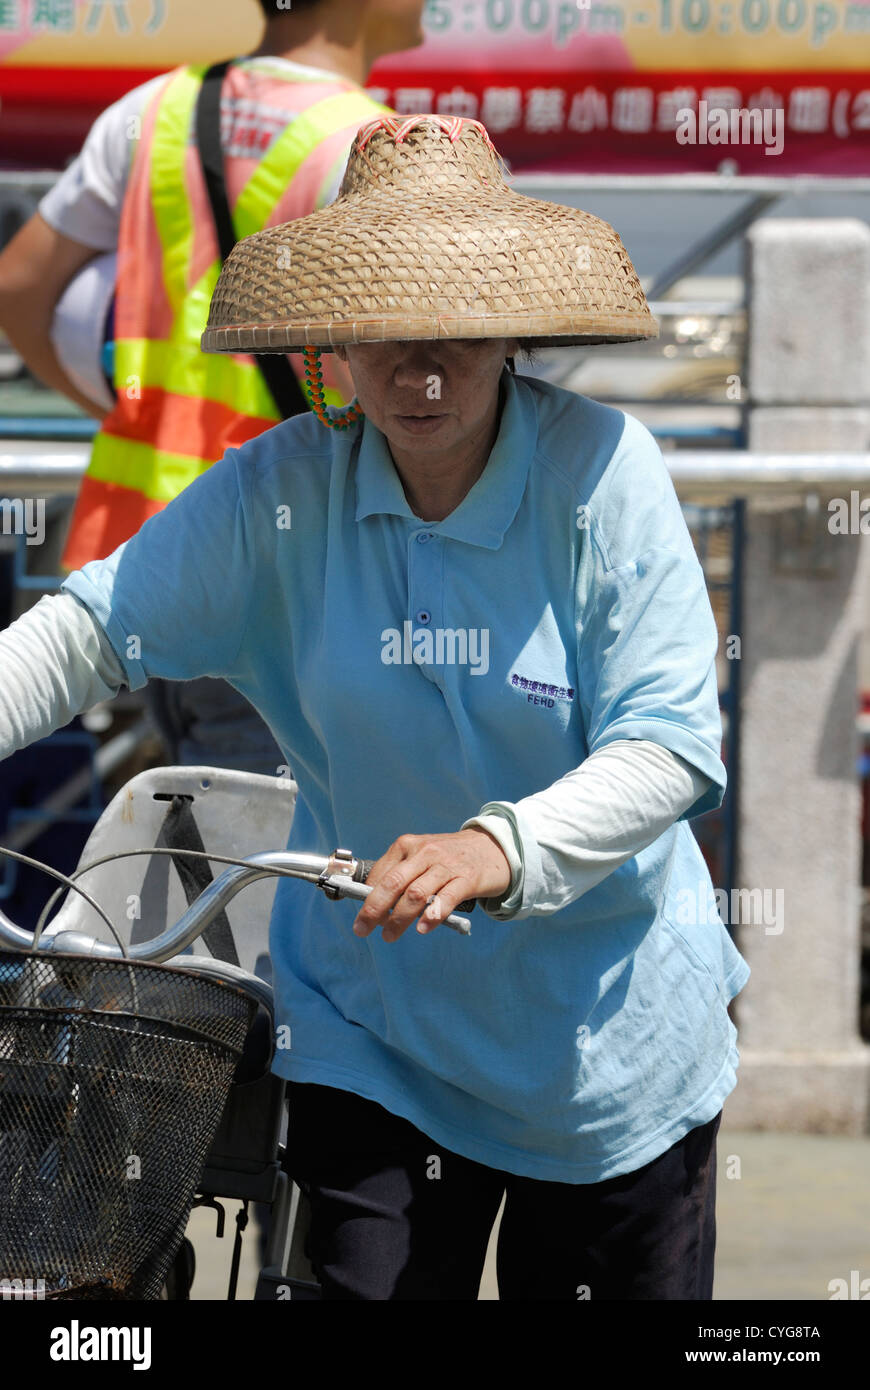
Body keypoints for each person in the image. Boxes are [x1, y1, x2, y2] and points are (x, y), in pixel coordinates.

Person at [0, 114, 750, 1301]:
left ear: (513, 333)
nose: (423, 370)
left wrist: (495, 845)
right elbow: (92, 627)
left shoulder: (605, 474)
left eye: (458, 331)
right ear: (331, 345)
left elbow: (669, 743)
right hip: (374, 1023)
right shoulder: (276, 494)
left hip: (601, 1039)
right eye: (389, 331)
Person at [0, 0, 422, 774]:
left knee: (202, 833)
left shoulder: (154, 111)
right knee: (276, 862)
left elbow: (20, 286)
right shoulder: (374, 150)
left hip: (134, 562)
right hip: (284, 580)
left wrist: (123, 406)